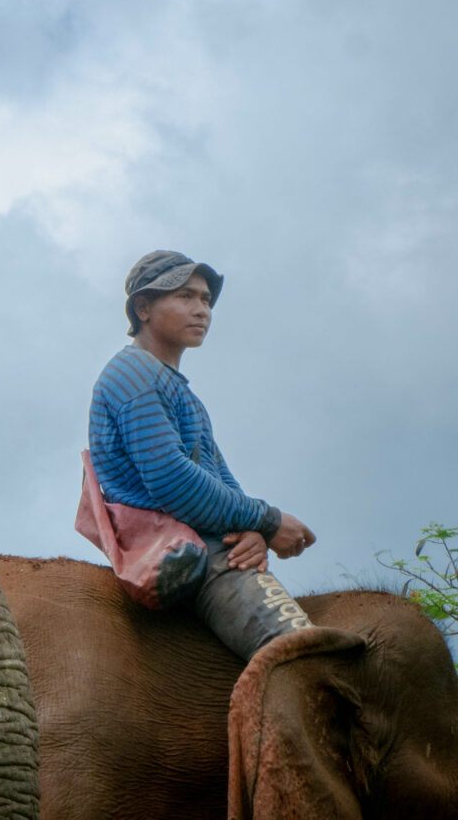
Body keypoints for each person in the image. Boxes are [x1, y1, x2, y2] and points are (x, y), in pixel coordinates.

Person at [88, 250, 316, 659]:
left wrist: (253, 533)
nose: (202, 310)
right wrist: (267, 519)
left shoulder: (182, 393)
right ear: (143, 308)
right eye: (186, 297)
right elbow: (172, 479)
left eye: (206, 300)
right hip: (183, 545)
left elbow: (220, 477)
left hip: (209, 536)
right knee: (300, 654)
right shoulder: (133, 374)